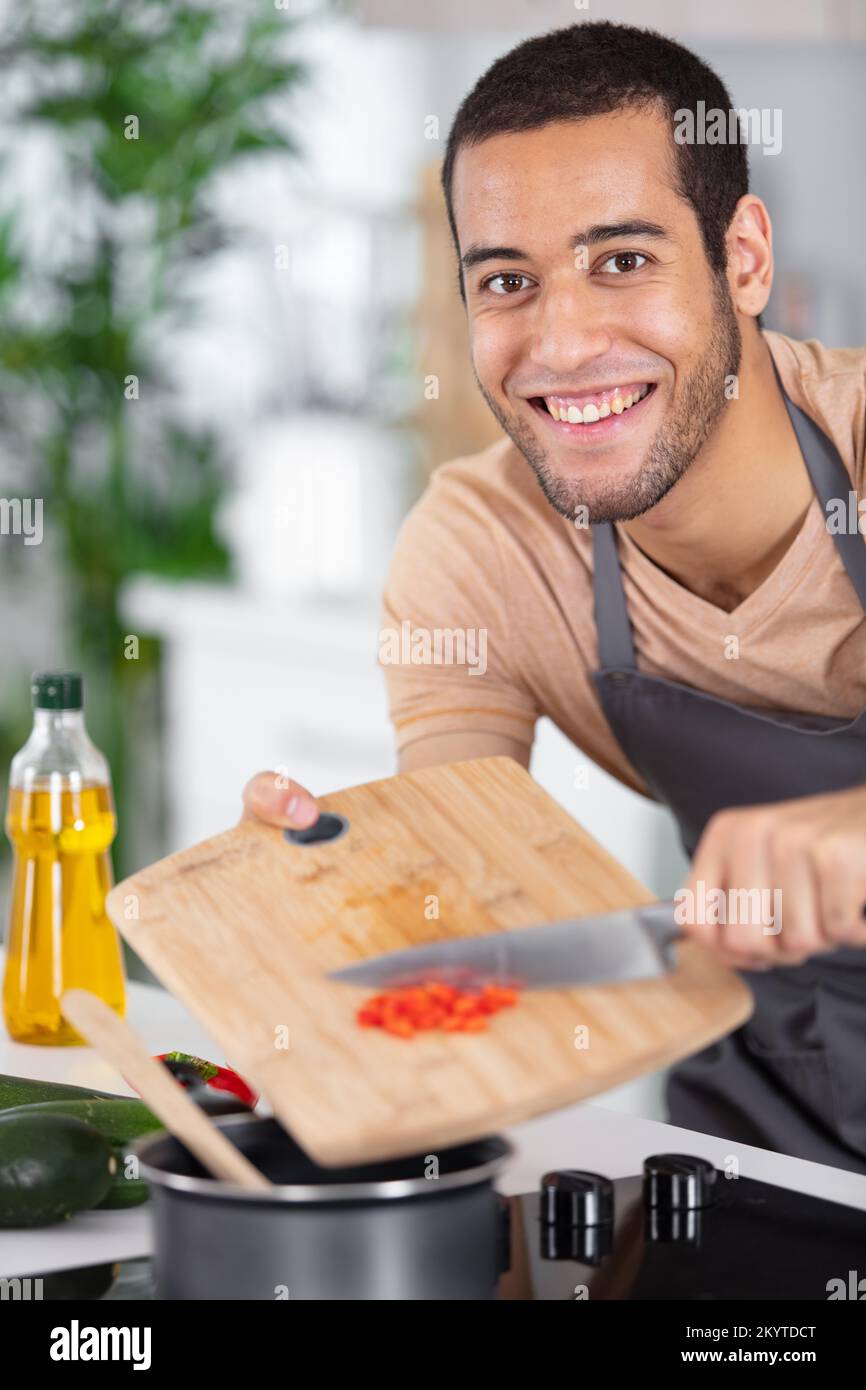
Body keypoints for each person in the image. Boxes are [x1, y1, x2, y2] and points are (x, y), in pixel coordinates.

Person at [243, 22, 866, 1173]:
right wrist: (332, 879)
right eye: (507, 281)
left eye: (620, 260)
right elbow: (459, 904)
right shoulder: (478, 551)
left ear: (742, 259)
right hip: (756, 1158)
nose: (563, 340)